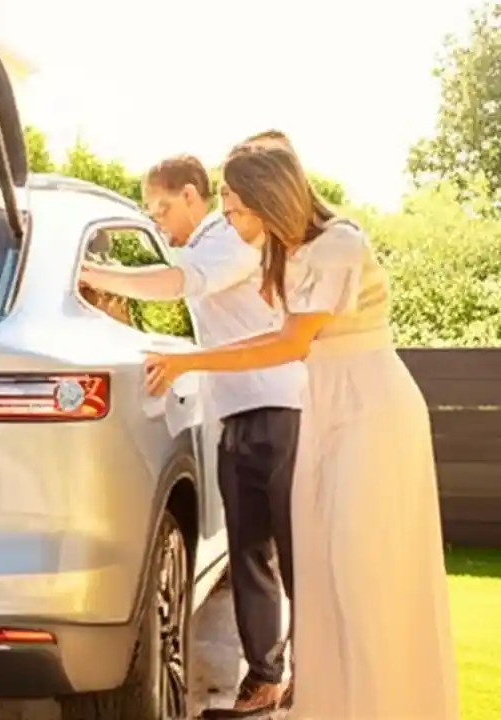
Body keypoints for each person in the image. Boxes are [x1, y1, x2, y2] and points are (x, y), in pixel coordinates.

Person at [143, 144, 458, 719]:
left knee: (361, 570)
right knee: (323, 571)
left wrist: (192, 361)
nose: (231, 220)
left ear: (267, 197)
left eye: (235, 207)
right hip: (324, 409)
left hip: (371, 411)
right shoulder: (289, 253)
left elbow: (290, 344)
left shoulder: (339, 244)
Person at [81, 154, 305, 715]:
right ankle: (265, 679)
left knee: (293, 553)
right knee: (251, 551)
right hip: (237, 414)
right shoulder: (205, 245)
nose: (157, 220)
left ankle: (315, 671)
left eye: (160, 207)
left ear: (189, 195)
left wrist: (89, 273)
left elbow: (179, 283)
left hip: (279, 410)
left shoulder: (227, 238)